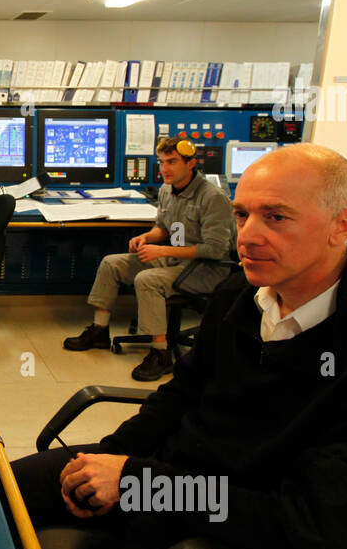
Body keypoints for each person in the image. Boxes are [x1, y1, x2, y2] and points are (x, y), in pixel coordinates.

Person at [1, 144, 347, 549]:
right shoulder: (245, 293)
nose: (248, 235)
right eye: (242, 214)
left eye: (276, 217)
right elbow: (179, 396)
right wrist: (110, 458)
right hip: (165, 487)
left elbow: (302, 527)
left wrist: (136, 482)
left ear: (343, 224)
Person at [64, 135, 234, 381]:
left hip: (206, 270)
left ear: (190, 163)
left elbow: (215, 250)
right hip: (176, 261)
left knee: (148, 279)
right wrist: (146, 238)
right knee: (112, 263)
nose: (164, 169)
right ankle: (99, 330)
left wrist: (163, 251)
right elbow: (164, 228)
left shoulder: (212, 197)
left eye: (172, 162)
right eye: (161, 162)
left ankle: (160, 354)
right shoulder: (167, 190)